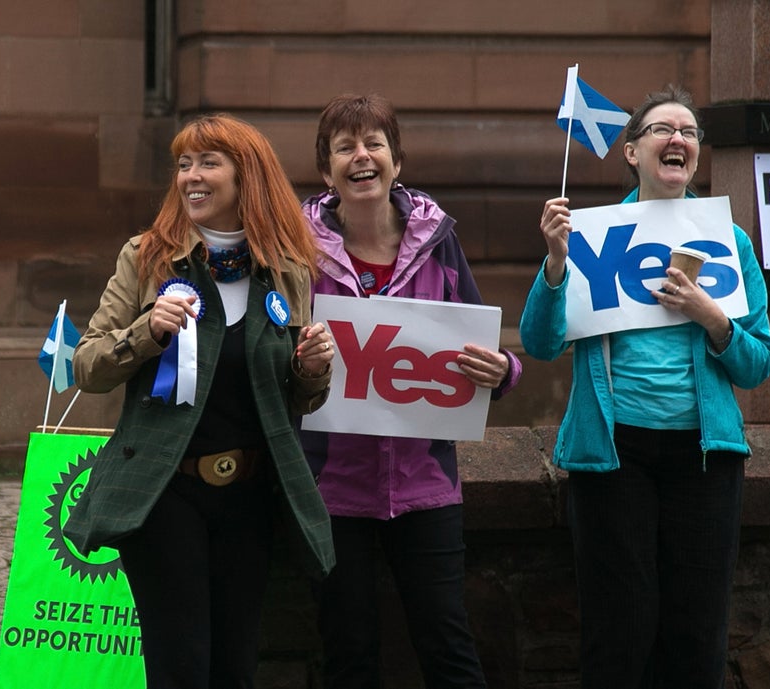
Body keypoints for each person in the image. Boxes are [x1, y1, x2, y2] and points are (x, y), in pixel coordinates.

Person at [63, 113, 337, 689]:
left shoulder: (286, 270)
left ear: (248, 178)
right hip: (166, 495)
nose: (191, 176)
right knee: (181, 666)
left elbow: (300, 399)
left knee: (235, 668)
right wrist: (147, 331)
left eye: (208, 163)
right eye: (183, 164)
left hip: (252, 499)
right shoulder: (146, 258)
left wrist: (312, 369)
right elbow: (85, 366)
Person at [519, 85, 770, 689]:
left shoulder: (730, 242)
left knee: (696, 630)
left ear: (696, 157)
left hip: (704, 459)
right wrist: (556, 264)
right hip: (615, 457)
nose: (678, 139)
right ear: (631, 152)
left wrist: (711, 317)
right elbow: (541, 342)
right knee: (619, 627)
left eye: (689, 132)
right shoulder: (588, 235)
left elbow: (758, 364)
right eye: (662, 129)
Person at [299, 93, 523, 689]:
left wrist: (503, 370)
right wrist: (301, 361)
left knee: (448, 646)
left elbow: (485, 344)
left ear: (397, 161)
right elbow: (273, 360)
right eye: (345, 147)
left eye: (374, 143)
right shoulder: (294, 252)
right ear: (327, 172)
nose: (361, 156)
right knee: (347, 653)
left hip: (425, 487)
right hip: (331, 488)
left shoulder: (439, 242)